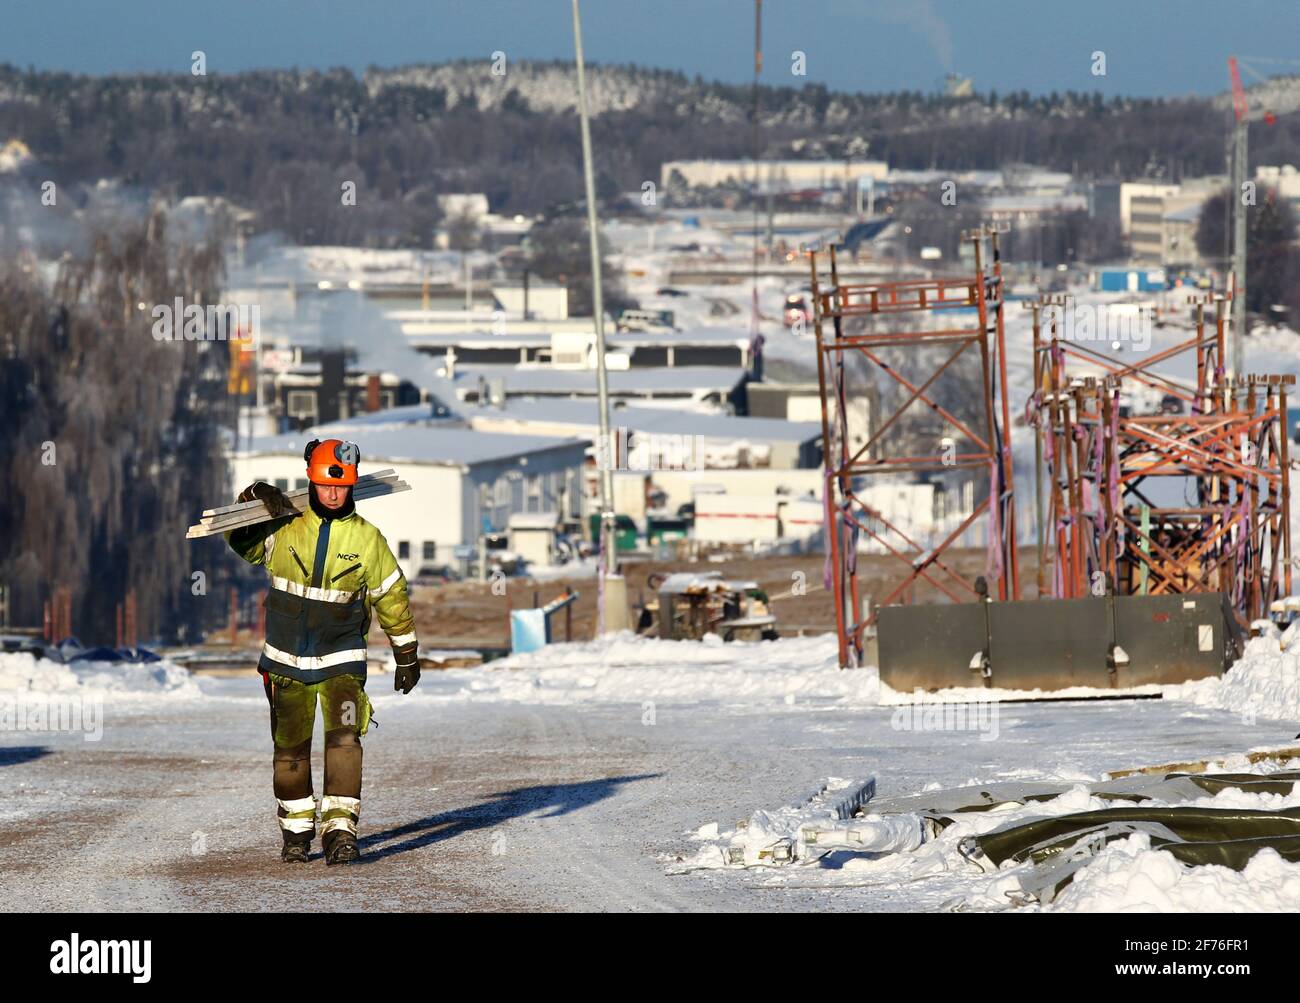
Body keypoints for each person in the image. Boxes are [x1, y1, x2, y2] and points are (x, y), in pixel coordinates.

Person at [226, 438, 420, 865]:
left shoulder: (368, 540)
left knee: (345, 741)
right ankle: (296, 832)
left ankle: (340, 830)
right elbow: (243, 545)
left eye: (343, 487)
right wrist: (250, 502)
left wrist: (406, 650)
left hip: (342, 664)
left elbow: (391, 594)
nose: (335, 494)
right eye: (327, 486)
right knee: (289, 750)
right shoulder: (285, 526)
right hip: (284, 663)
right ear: (312, 482)